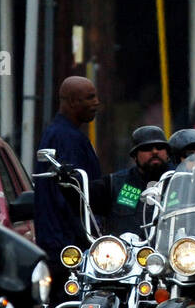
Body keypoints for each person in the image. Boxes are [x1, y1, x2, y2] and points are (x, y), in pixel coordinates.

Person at [34, 77, 103, 273]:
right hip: (68, 247)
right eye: (90, 98)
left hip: (59, 242)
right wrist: (86, 235)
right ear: (72, 102)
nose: (96, 102)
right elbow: (71, 191)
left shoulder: (56, 133)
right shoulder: (67, 138)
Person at [90, 126, 171, 238]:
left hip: (174, 252)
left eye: (160, 147)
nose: (155, 151)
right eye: (147, 148)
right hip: (127, 253)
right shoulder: (114, 183)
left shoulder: (180, 181)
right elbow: (80, 197)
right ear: (134, 156)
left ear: (168, 153)